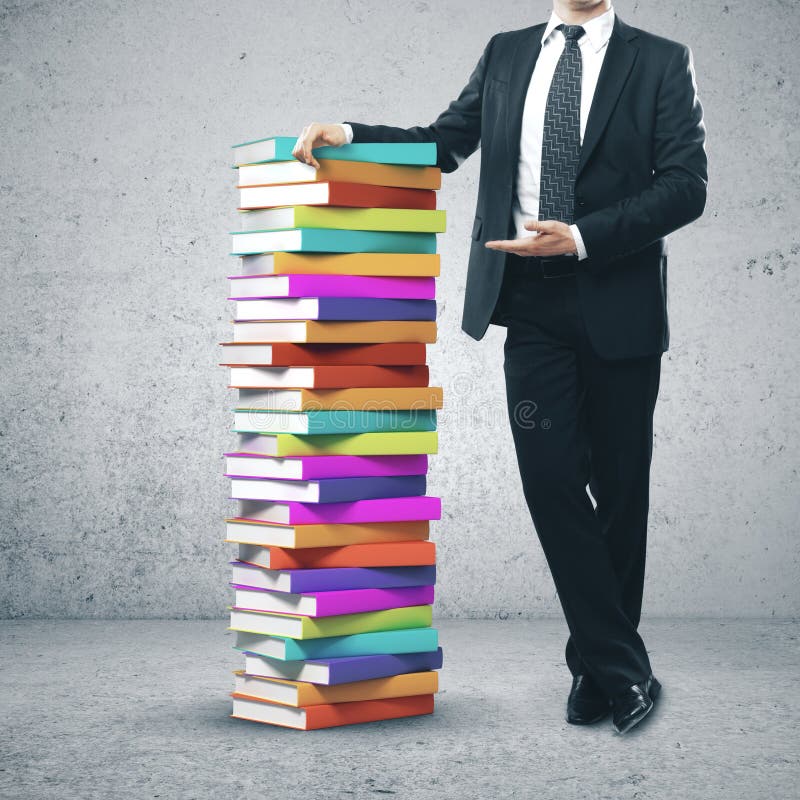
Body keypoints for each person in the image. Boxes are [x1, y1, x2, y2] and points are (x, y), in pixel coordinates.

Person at [292, 0, 707, 734]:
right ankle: (623, 669)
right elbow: (442, 143)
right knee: (550, 480)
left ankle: (595, 671)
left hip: (619, 299)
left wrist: (582, 236)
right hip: (529, 303)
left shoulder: (661, 60)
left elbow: (686, 185)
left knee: (619, 491)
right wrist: (350, 134)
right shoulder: (507, 52)